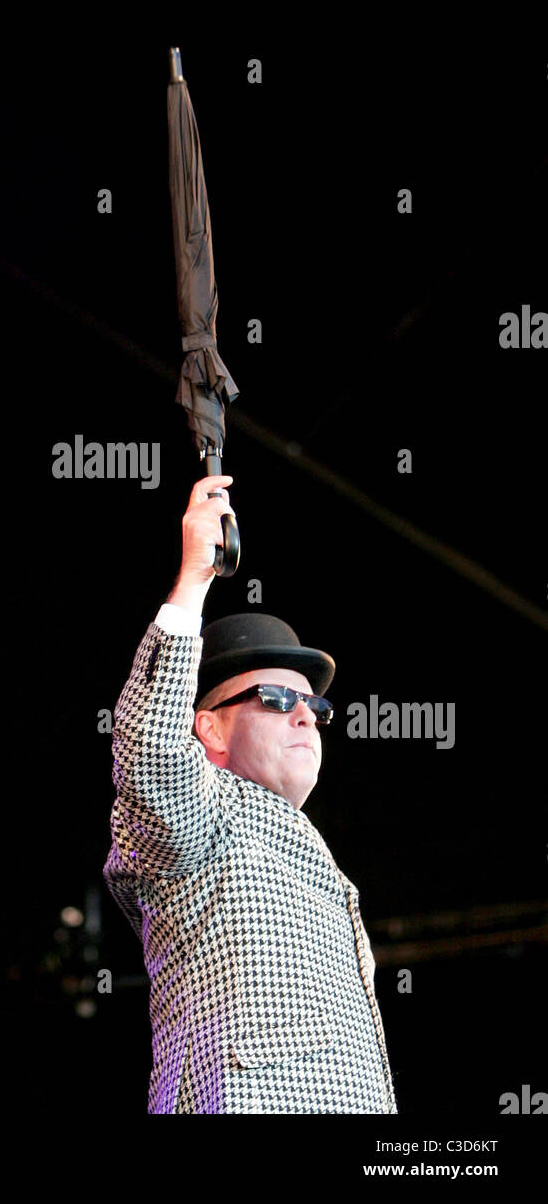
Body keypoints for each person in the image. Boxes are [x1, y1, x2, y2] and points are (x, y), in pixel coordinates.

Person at [103, 474, 397, 1114]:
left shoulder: (315, 857)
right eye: (278, 698)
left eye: (314, 704)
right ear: (208, 726)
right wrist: (194, 579)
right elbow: (149, 745)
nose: (305, 715)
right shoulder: (201, 812)